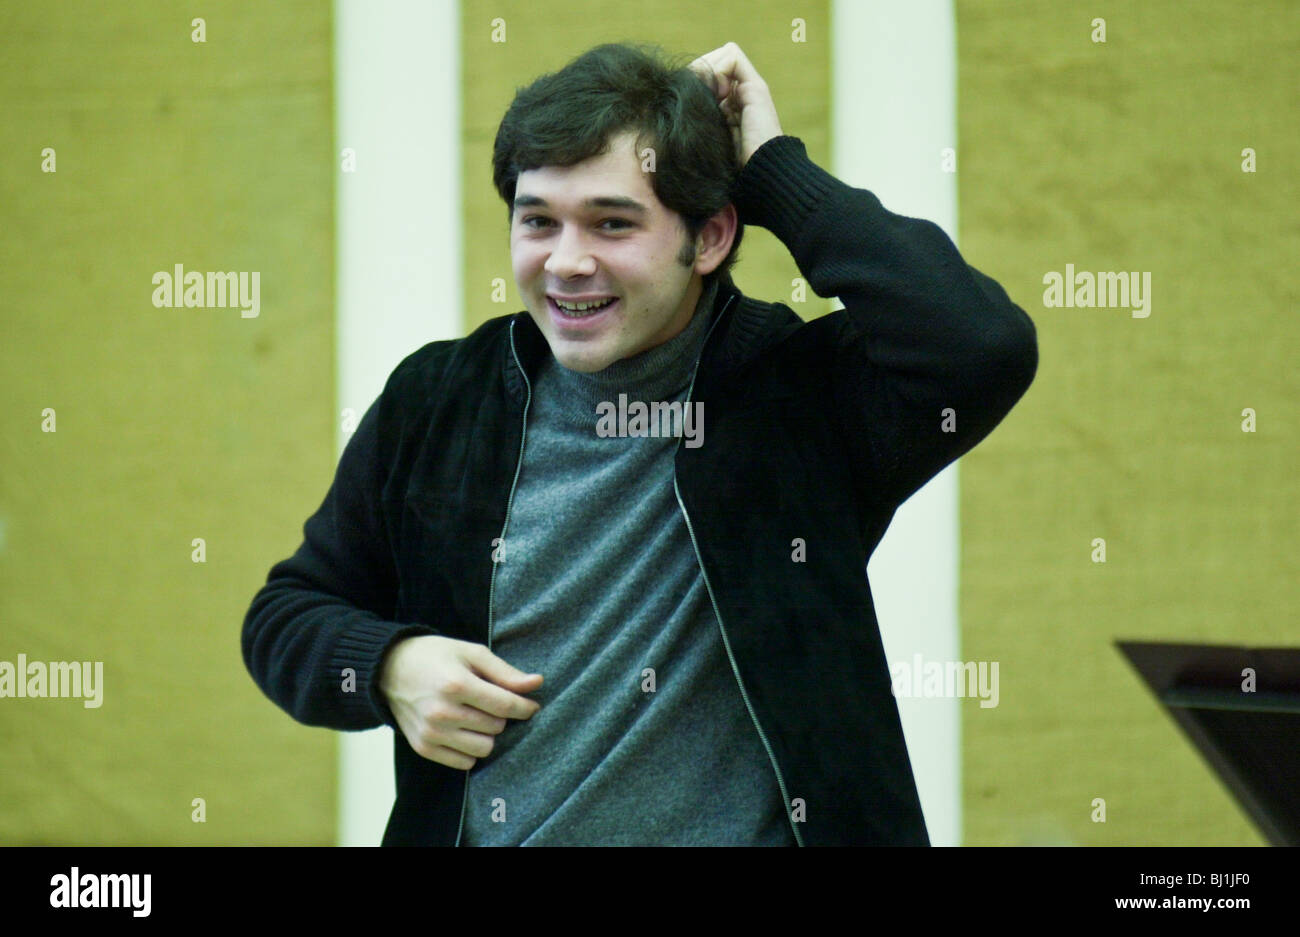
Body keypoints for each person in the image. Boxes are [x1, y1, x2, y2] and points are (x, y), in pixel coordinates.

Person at [241, 40, 1038, 846]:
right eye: (538, 221)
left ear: (713, 236)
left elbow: (979, 345)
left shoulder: (799, 396)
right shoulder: (440, 398)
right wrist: (387, 665)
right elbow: (283, 616)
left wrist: (774, 172)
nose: (567, 261)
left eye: (613, 223)